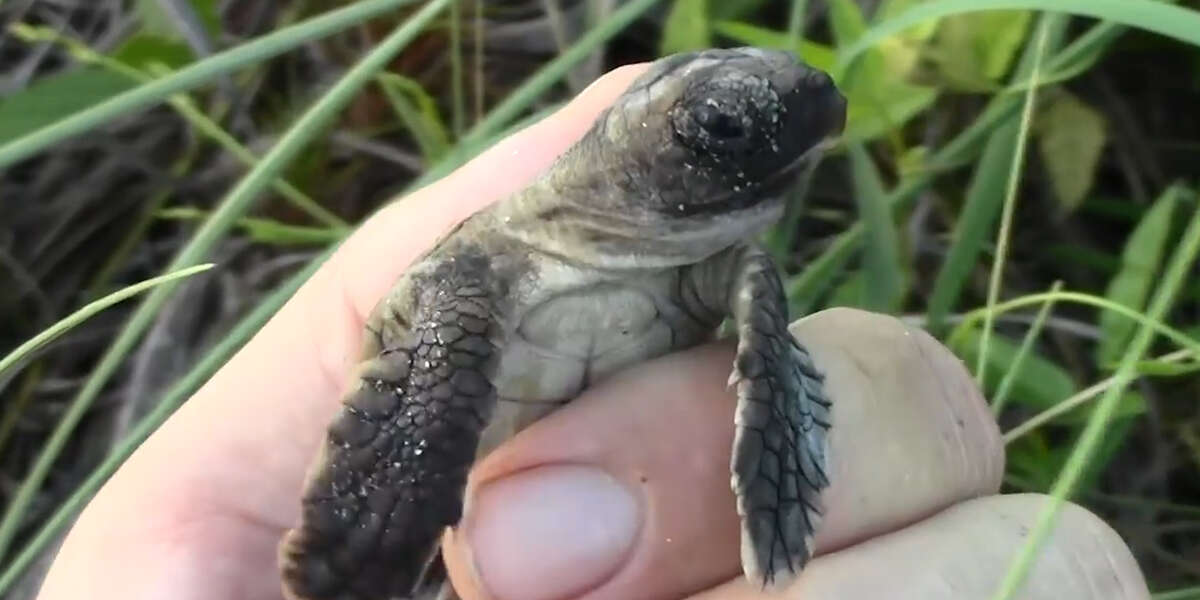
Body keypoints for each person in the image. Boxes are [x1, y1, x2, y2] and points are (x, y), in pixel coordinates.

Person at [36, 62, 1149, 600]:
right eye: (706, 125)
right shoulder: (493, 260)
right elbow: (413, 419)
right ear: (628, 146)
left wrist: (781, 521)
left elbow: (777, 425)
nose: (745, 134)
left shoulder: (736, 272)